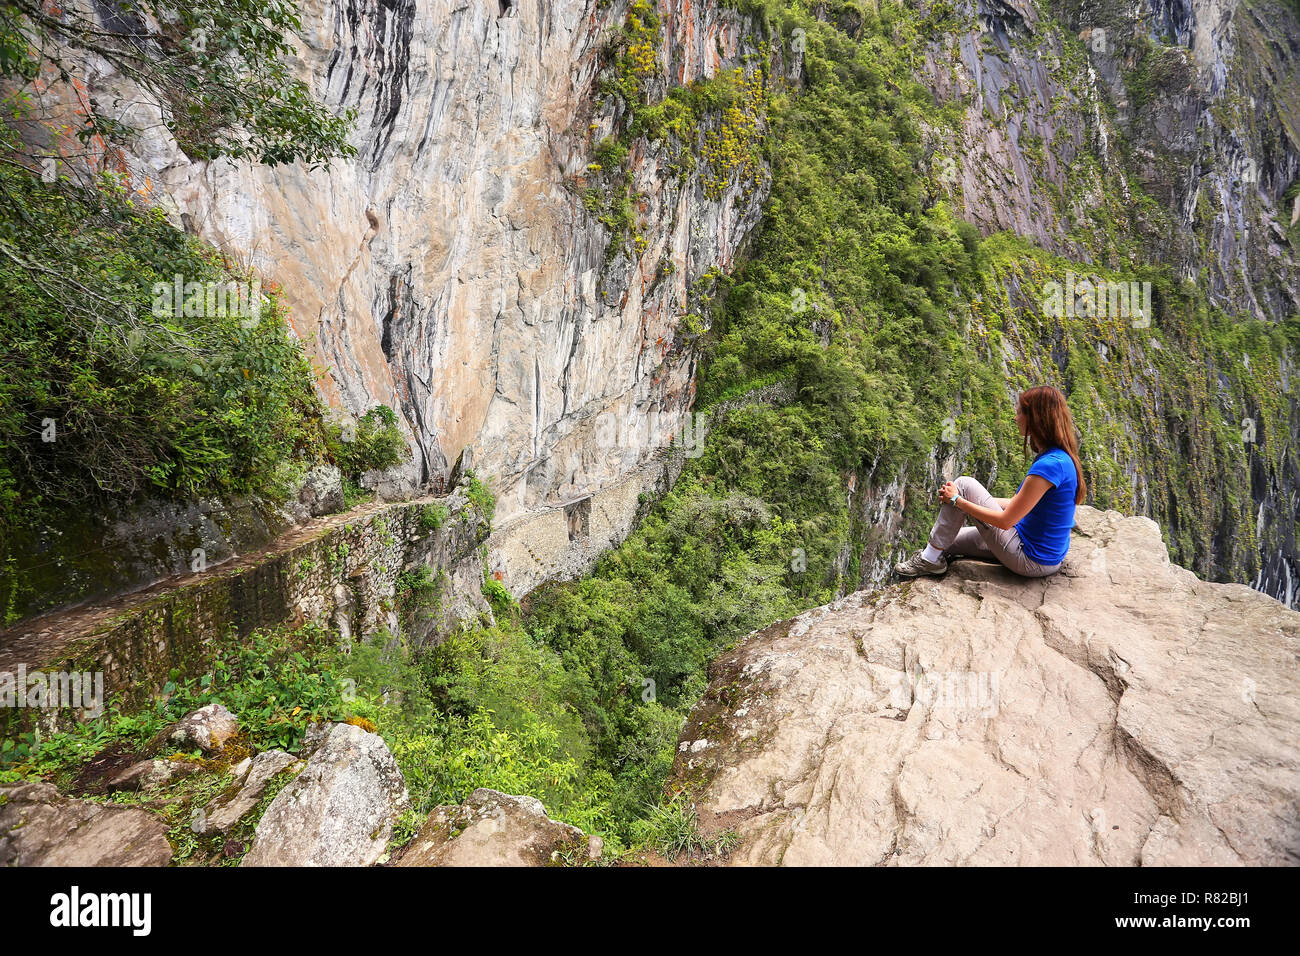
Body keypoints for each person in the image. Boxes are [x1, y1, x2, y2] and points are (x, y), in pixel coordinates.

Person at [895, 385, 1087, 579]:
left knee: (964, 484)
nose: (1015, 418)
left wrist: (958, 501)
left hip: (1030, 558)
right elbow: (1017, 505)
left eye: (1020, 413)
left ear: (1035, 418)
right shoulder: (1059, 457)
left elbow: (1005, 521)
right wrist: (972, 499)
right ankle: (931, 558)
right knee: (945, 544)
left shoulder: (1050, 466)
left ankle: (929, 561)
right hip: (1031, 545)